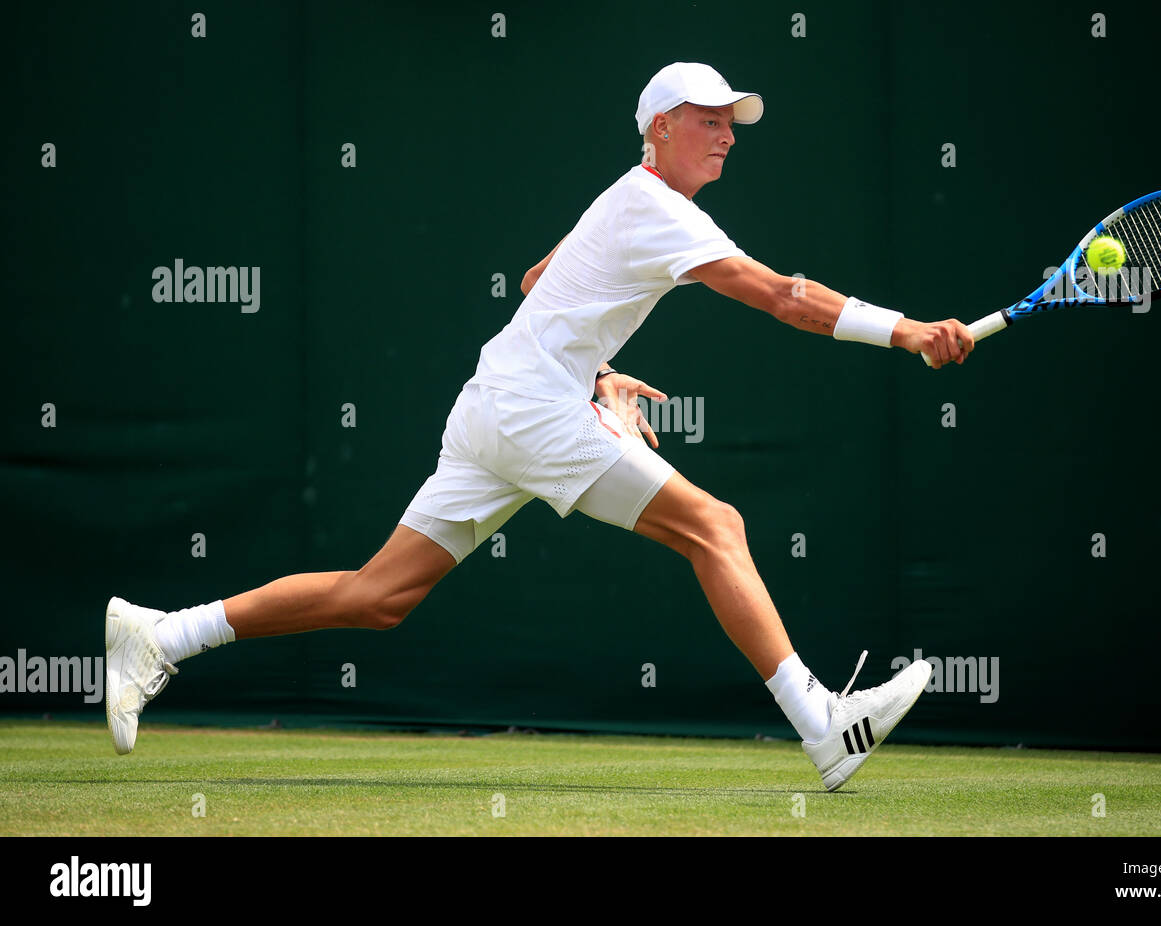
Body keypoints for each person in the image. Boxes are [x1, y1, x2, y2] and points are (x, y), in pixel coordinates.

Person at [105, 62, 973, 792]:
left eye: (732, 123)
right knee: (718, 527)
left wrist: (594, 370)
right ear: (662, 126)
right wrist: (909, 332)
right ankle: (822, 725)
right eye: (711, 121)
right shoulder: (656, 208)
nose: (729, 136)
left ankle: (163, 632)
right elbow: (784, 295)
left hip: (494, 403)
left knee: (379, 597)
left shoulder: (622, 201)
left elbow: (535, 281)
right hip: (528, 411)